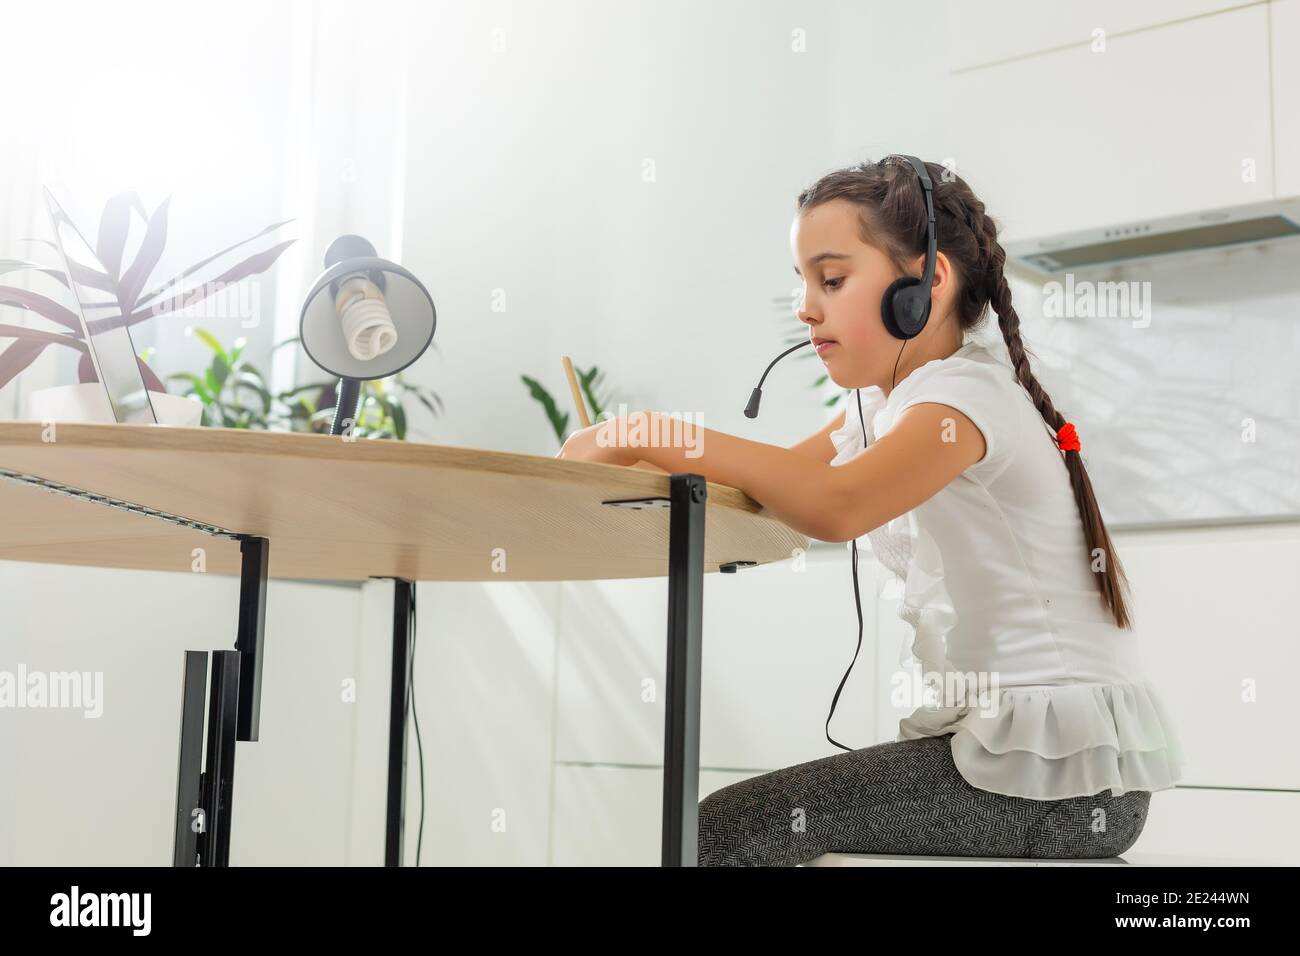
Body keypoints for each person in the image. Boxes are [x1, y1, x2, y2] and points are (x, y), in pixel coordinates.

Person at [557, 156, 1184, 866]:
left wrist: (643, 432)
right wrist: (654, 460)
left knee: (731, 831)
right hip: (1039, 764)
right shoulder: (898, 403)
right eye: (803, 283)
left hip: (1063, 783)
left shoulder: (959, 401)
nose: (805, 307)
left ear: (926, 286)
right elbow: (786, 482)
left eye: (831, 279)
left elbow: (835, 503)